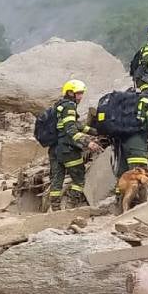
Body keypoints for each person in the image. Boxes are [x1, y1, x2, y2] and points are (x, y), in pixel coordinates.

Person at [48, 80, 102, 210]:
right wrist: (88, 142)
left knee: (56, 181)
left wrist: (96, 131)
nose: (80, 97)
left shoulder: (59, 106)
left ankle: (55, 210)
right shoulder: (70, 106)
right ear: (70, 93)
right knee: (79, 179)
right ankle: (71, 207)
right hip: (68, 149)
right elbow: (71, 129)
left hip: (54, 149)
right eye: (78, 94)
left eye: (81, 94)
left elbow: (76, 125)